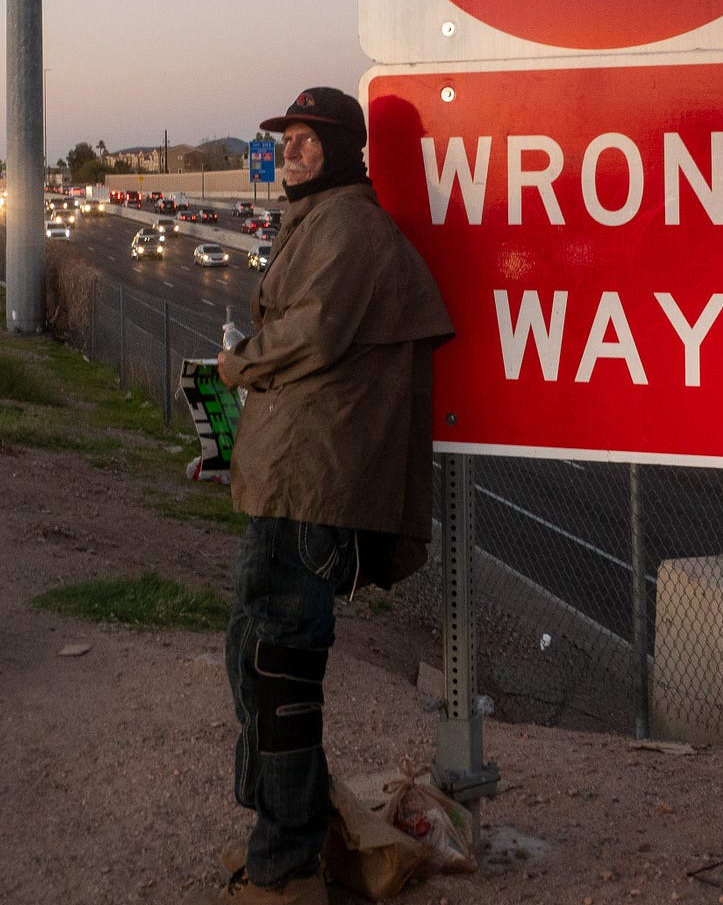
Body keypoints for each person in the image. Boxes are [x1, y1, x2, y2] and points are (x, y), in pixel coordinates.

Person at [213, 86, 453, 903]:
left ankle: (285, 872)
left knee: (279, 671)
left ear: (345, 149)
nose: (292, 149)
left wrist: (238, 365)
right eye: (287, 137)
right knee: (255, 660)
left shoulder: (346, 223)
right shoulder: (316, 219)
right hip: (287, 479)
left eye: (310, 139)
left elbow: (312, 330)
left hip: (310, 488)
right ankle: (300, 838)